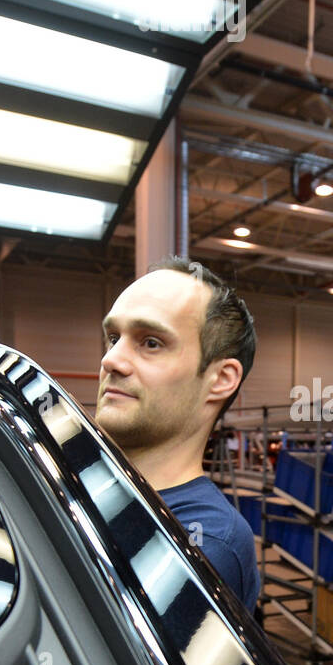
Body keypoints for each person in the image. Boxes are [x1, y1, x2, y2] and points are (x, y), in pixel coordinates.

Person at [96, 256, 260, 612]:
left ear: (220, 379)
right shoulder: (87, 484)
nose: (111, 360)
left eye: (151, 343)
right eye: (113, 338)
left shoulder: (204, 539)